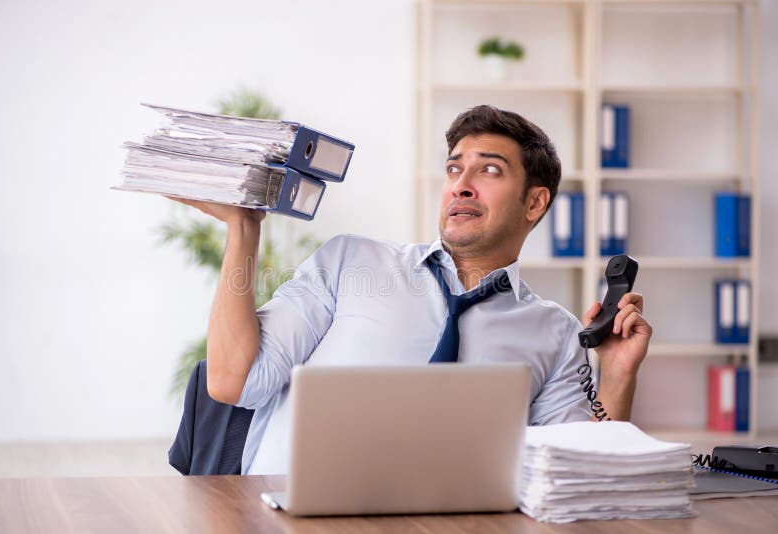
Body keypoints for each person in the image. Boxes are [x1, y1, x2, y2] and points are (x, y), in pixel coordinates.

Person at [169, 105, 652, 475]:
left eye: (489, 170)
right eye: (454, 169)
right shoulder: (349, 262)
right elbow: (233, 381)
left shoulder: (556, 332)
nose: (461, 185)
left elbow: (581, 472)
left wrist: (616, 375)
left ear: (535, 203)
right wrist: (243, 227)